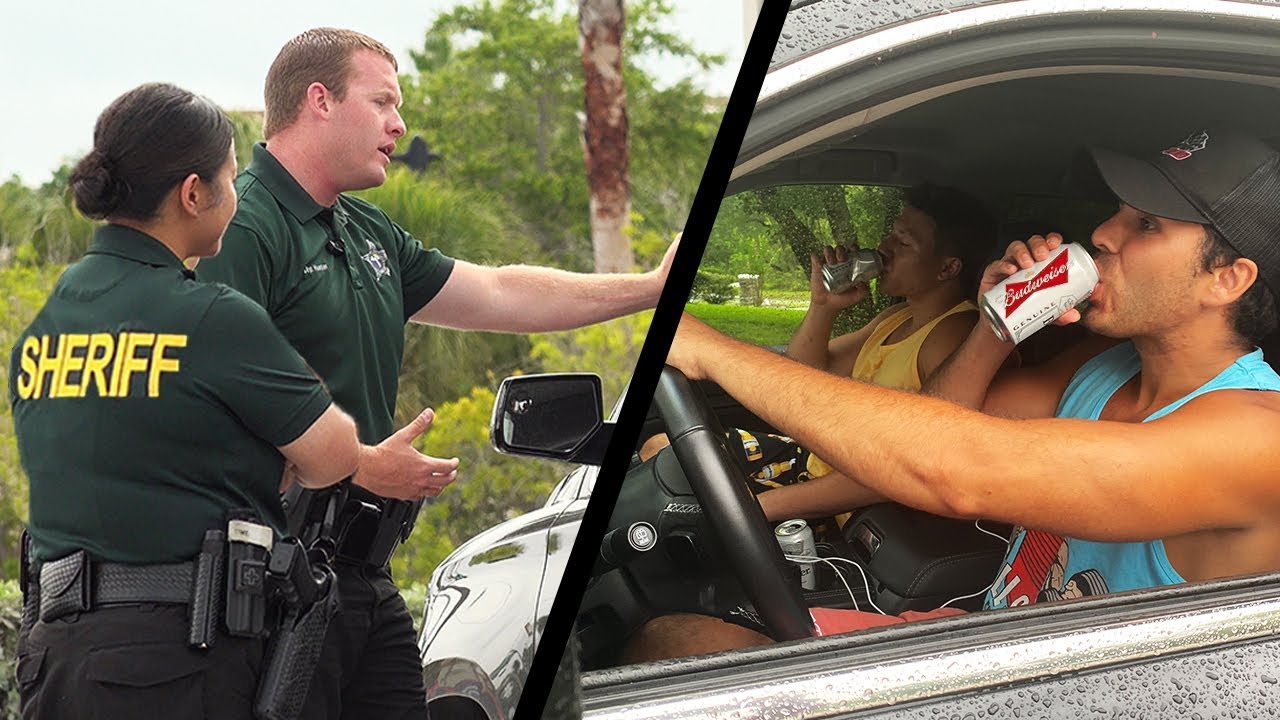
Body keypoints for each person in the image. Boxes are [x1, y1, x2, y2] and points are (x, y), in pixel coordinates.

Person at [634, 128, 1280, 661]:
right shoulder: (1105, 366)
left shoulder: (1257, 435)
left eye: (1143, 224)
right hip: (993, 641)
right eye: (1115, 214)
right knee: (679, 641)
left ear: (1226, 280)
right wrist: (997, 327)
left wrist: (709, 348)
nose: (1103, 234)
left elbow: (955, 470)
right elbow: (934, 424)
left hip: (1077, 690)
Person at [195, 28, 678, 719]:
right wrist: (356, 465)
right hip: (272, 579)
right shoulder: (243, 226)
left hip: (359, 571)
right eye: (383, 101)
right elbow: (216, 405)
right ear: (319, 101)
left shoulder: (366, 231)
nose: (399, 125)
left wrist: (653, 287)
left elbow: (499, 293)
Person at [10, 83, 361, 719]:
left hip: (51, 661)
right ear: (193, 193)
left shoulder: (48, 326)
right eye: (230, 177)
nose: (236, 196)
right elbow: (334, 455)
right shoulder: (213, 318)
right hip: (174, 662)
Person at [639, 183, 996, 524]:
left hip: (843, 500)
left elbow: (908, 463)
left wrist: (757, 507)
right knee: (660, 451)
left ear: (948, 268)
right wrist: (823, 307)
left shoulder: (952, 334)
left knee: (676, 494)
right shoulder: (898, 316)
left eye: (903, 242)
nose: (883, 247)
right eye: (891, 234)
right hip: (815, 459)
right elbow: (800, 375)